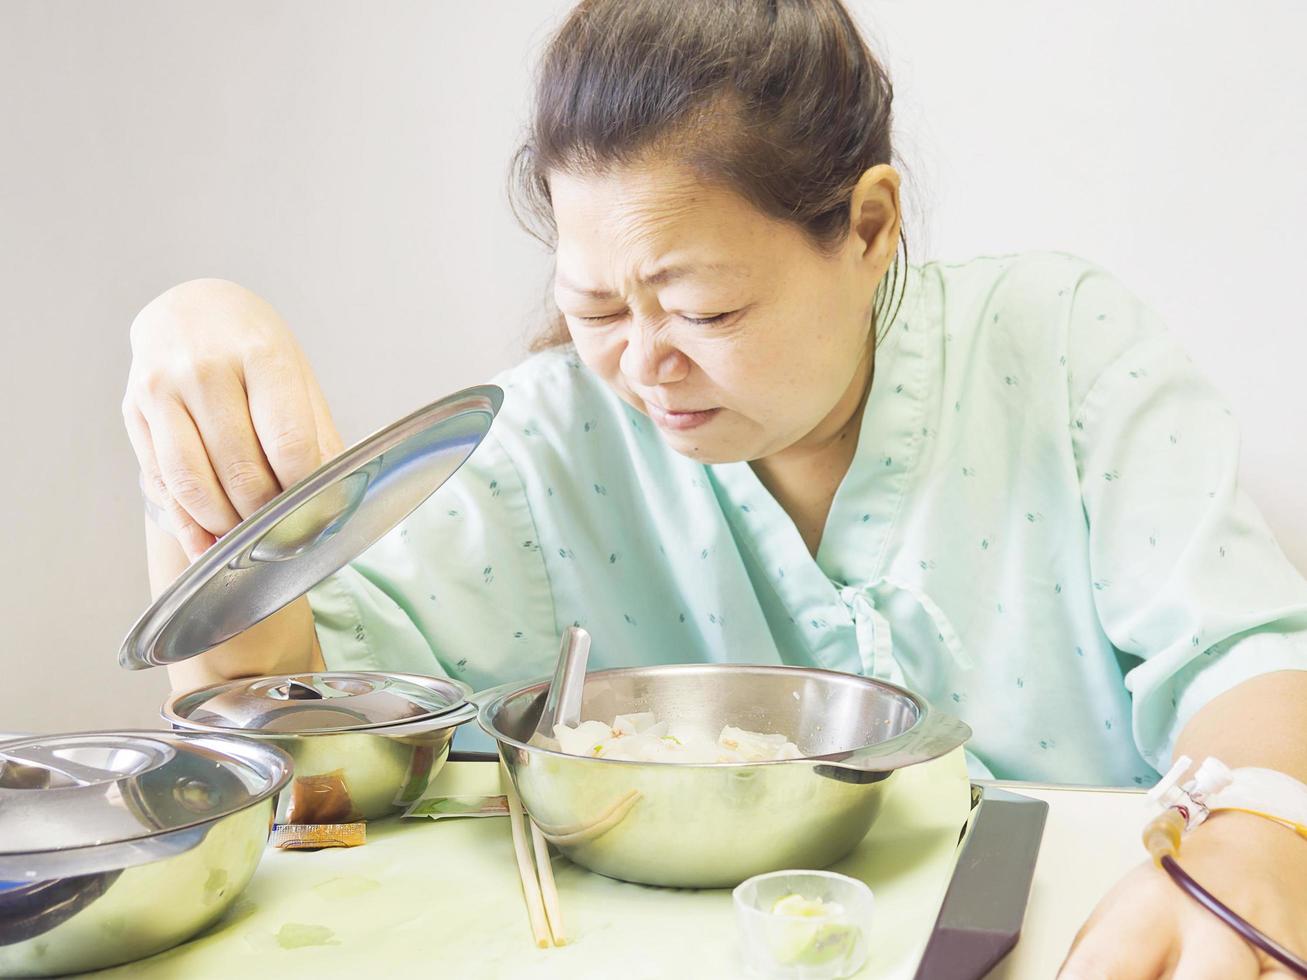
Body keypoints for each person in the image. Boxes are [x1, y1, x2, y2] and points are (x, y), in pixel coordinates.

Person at [122, 1, 1307, 975]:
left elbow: (1248, 657)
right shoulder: (552, 437)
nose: (643, 366)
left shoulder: (1057, 344)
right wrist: (197, 403)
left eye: (705, 311)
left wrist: (1254, 820)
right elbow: (287, 722)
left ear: (868, 225)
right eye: (594, 310)